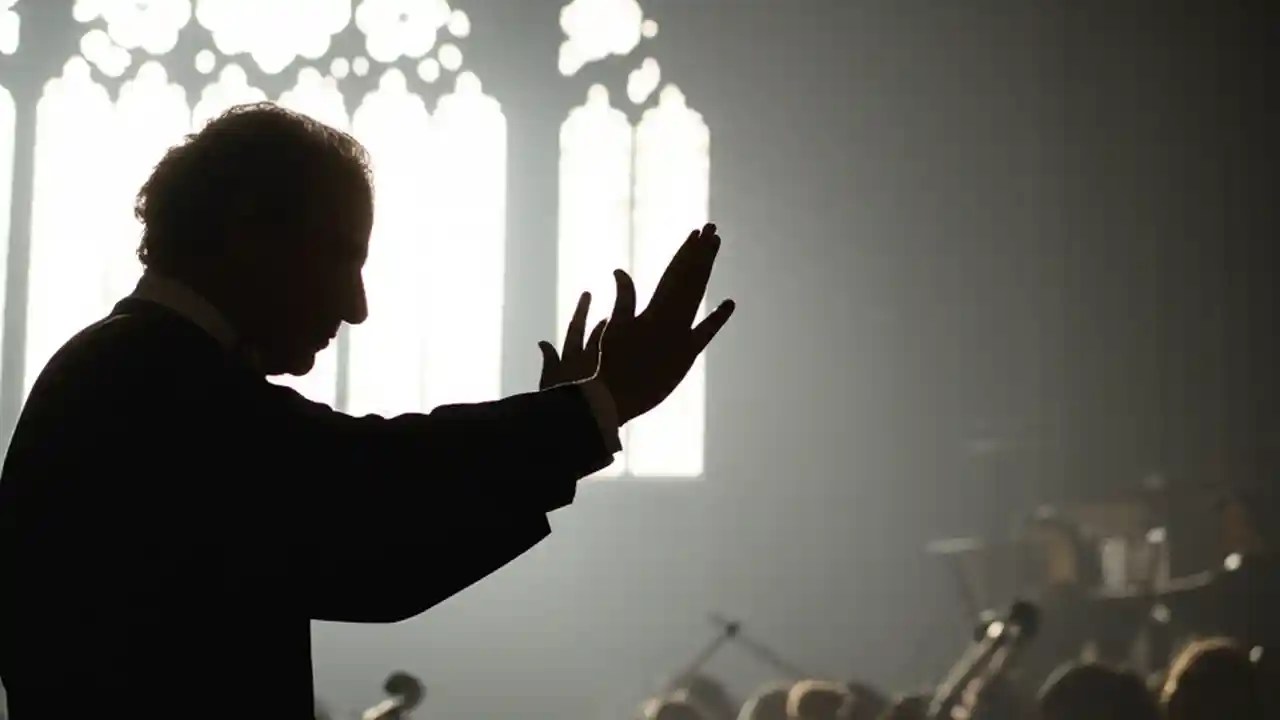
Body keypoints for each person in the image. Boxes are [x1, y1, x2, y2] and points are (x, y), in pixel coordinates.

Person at [0, 103, 735, 718]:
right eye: (343, 258)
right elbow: (364, 489)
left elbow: (370, 552)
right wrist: (597, 407)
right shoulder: (149, 381)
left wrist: (572, 422)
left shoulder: (131, 369)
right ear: (252, 233)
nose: (356, 307)